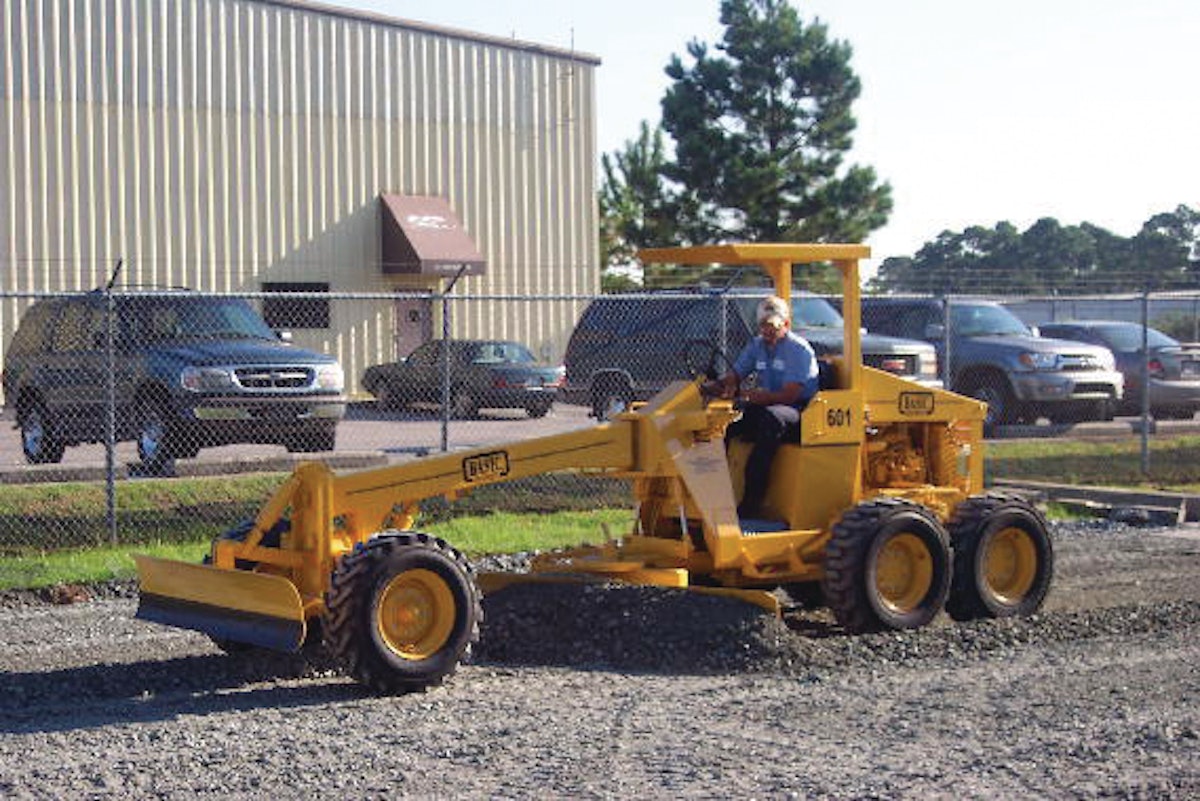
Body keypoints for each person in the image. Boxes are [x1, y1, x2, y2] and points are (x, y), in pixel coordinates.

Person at [714, 295, 819, 519]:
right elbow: (736, 373)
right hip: (769, 405)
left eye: (772, 326)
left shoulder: (797, 350)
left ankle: (752, 503)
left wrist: (749, 396)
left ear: (786, 325)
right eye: (763, 325)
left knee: (771, 420)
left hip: (801, 411)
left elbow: (790, 395)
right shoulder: (757, 346)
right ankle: (717, 494)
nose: (767, 331)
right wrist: (717, 385)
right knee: (730, 427)